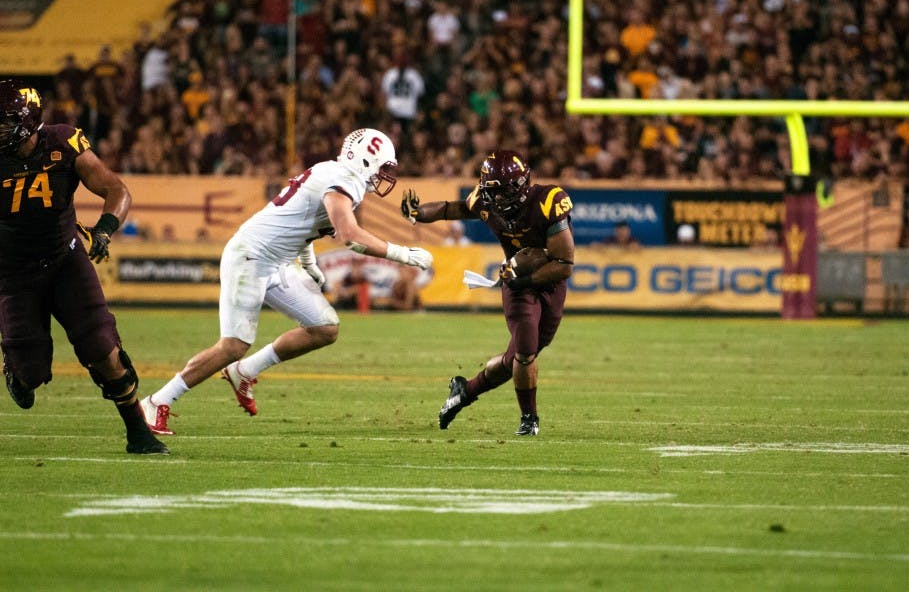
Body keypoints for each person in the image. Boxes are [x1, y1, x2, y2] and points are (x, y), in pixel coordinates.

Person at [139, 128, 433, 434]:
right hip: (251, 257)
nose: (384, 176)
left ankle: (245, 371)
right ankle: (157, 401)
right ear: (364, 160)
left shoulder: (332, 172)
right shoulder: (342, 181)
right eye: (383, 167)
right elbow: (350, 236)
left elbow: (301, 218)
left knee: (324, 328)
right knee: (233, 345)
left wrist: (308, 262)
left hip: (275, 261)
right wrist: (403, 254)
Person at [0, 80, 167, 455]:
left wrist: (104, 232)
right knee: (32, 371)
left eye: (4, 123)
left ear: (27, 121)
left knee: (103, 348)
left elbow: (116, 190)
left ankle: (139, 433)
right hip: (12, 272)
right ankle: (16, 368)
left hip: (64, 260)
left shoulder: (63, 142)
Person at [401, 150, 574, 436]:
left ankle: (464, 390)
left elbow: (564, 265)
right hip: (516, 280)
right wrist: (419, 214)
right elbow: (451, 209)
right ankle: (529, 420)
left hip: (548, 281)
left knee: (514, 360)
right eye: (498, 191)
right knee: (526, 352)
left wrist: (527, 278)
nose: (503, 197)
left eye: (508, 190)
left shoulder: (548, 201)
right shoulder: (484, 200)